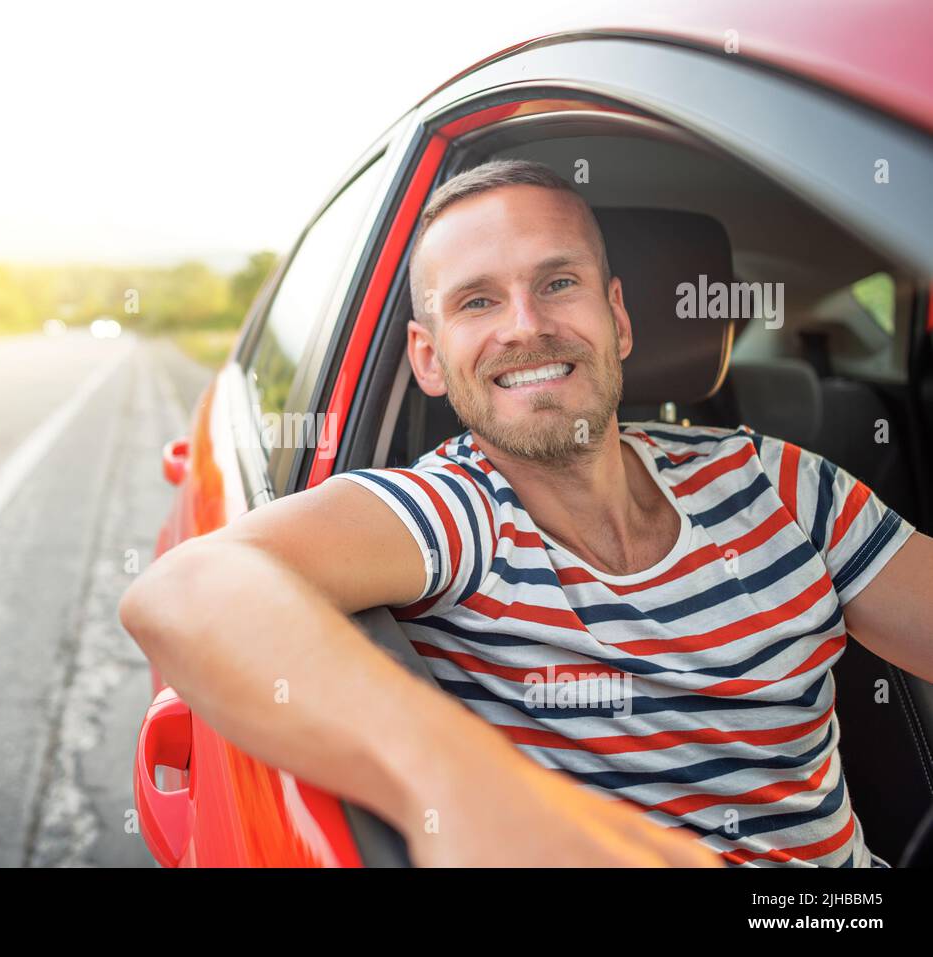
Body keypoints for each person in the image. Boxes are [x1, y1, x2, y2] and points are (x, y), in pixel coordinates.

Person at [119, 159, 931, 867]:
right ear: (430, 360)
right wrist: (467, 788)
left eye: (557, 282)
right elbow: (184, 590)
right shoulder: (452, 515)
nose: (527, 326)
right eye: (477, 301)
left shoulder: (778, 482)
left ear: (616, 317)